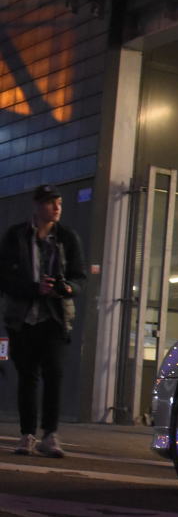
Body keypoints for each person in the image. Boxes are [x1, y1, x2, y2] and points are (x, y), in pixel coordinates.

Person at [0, 184, 87, 457]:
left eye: (59, 203)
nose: (57, 208)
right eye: (51, 203)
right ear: (37, 206)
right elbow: (3, 278)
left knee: (54, 374)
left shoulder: (67, 237)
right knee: (27, 376)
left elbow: (79, 277)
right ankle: (27, 434)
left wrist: (67, 288)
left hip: (55, 316)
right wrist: (33, 288)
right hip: (22, 318)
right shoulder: (16, 236)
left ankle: (50, 435)